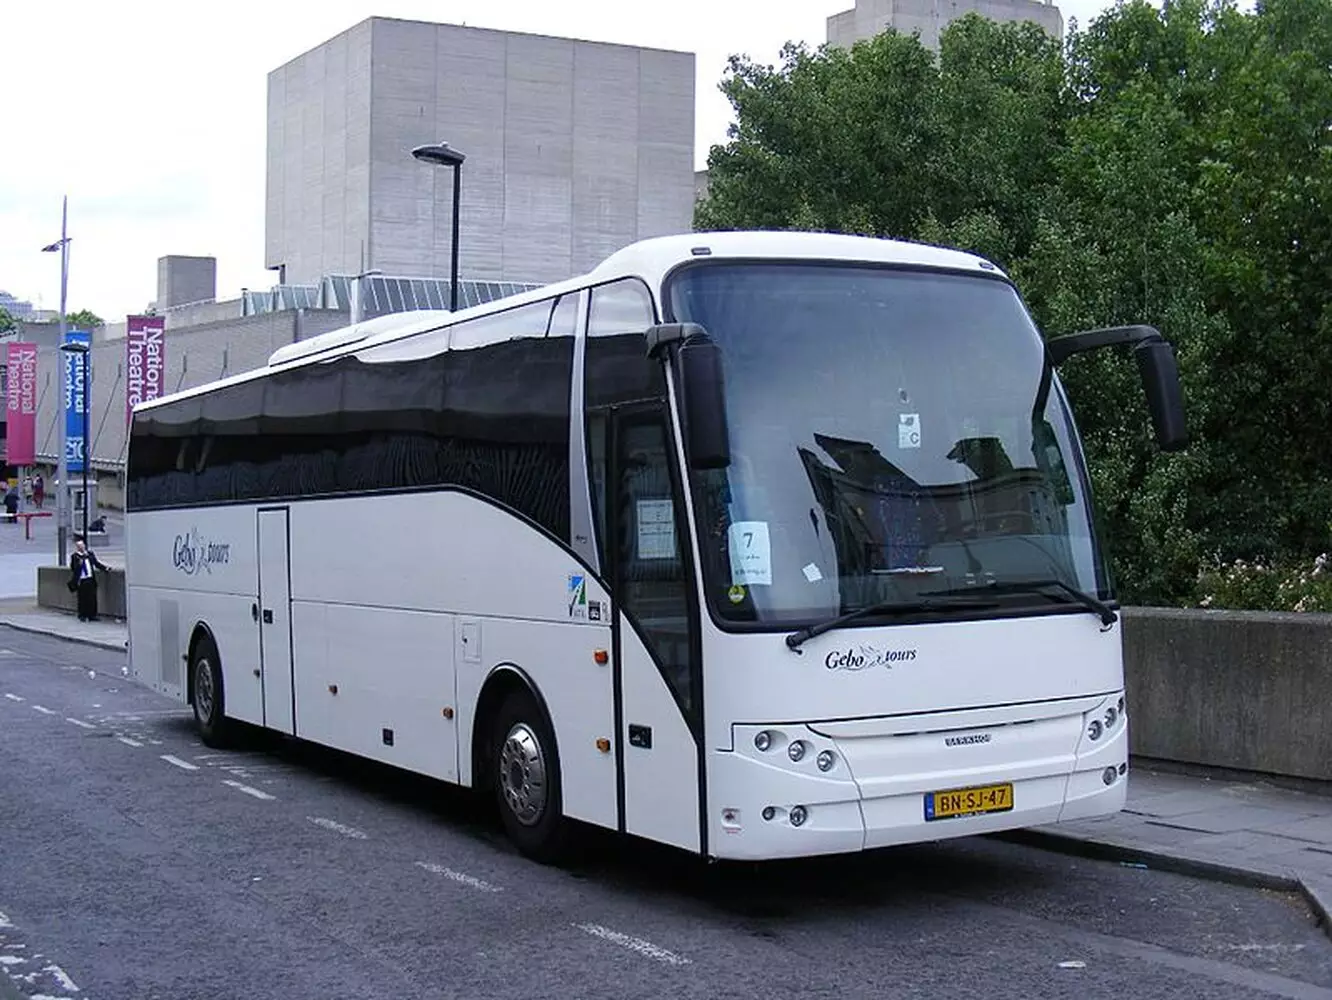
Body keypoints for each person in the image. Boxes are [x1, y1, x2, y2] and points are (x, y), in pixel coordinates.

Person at [68, 534, 108, 622]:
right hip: (81, 580)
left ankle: (92, 615)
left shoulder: (90, 554)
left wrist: (105, 568)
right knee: (82, 598)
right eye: (79, 546)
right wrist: (79, 563)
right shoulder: (75, 556)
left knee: (92, 598)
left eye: (82, 545)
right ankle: (82, 615)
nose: (81, 547)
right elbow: (73, 568)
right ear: (77, 548)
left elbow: (96, 563)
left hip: (90, 579)